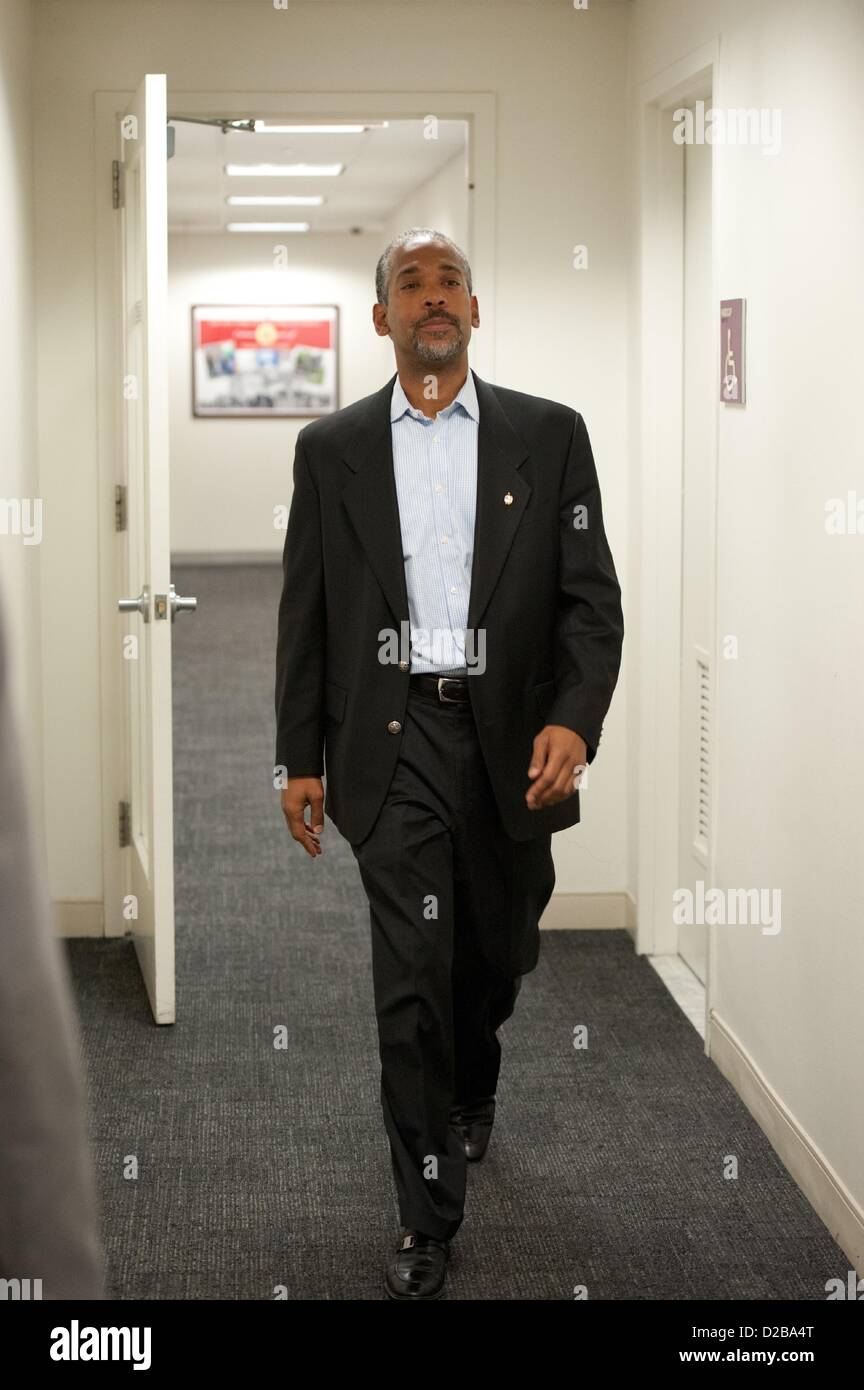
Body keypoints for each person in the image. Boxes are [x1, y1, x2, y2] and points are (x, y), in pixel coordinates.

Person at [275, 227, 624, 1299]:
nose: (434, 297)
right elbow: (309, 612)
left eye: (451, 282)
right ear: (381, 319)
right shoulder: (331, 451)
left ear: (475, 312)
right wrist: (298, 758)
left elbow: (589, 602)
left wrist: (575, 718)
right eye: (411, 284)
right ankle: (427, 1216)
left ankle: (479, 1073)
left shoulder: (549, 435)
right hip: (391, 740)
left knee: (493, 955)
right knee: (410, 987)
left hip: (512, 742)